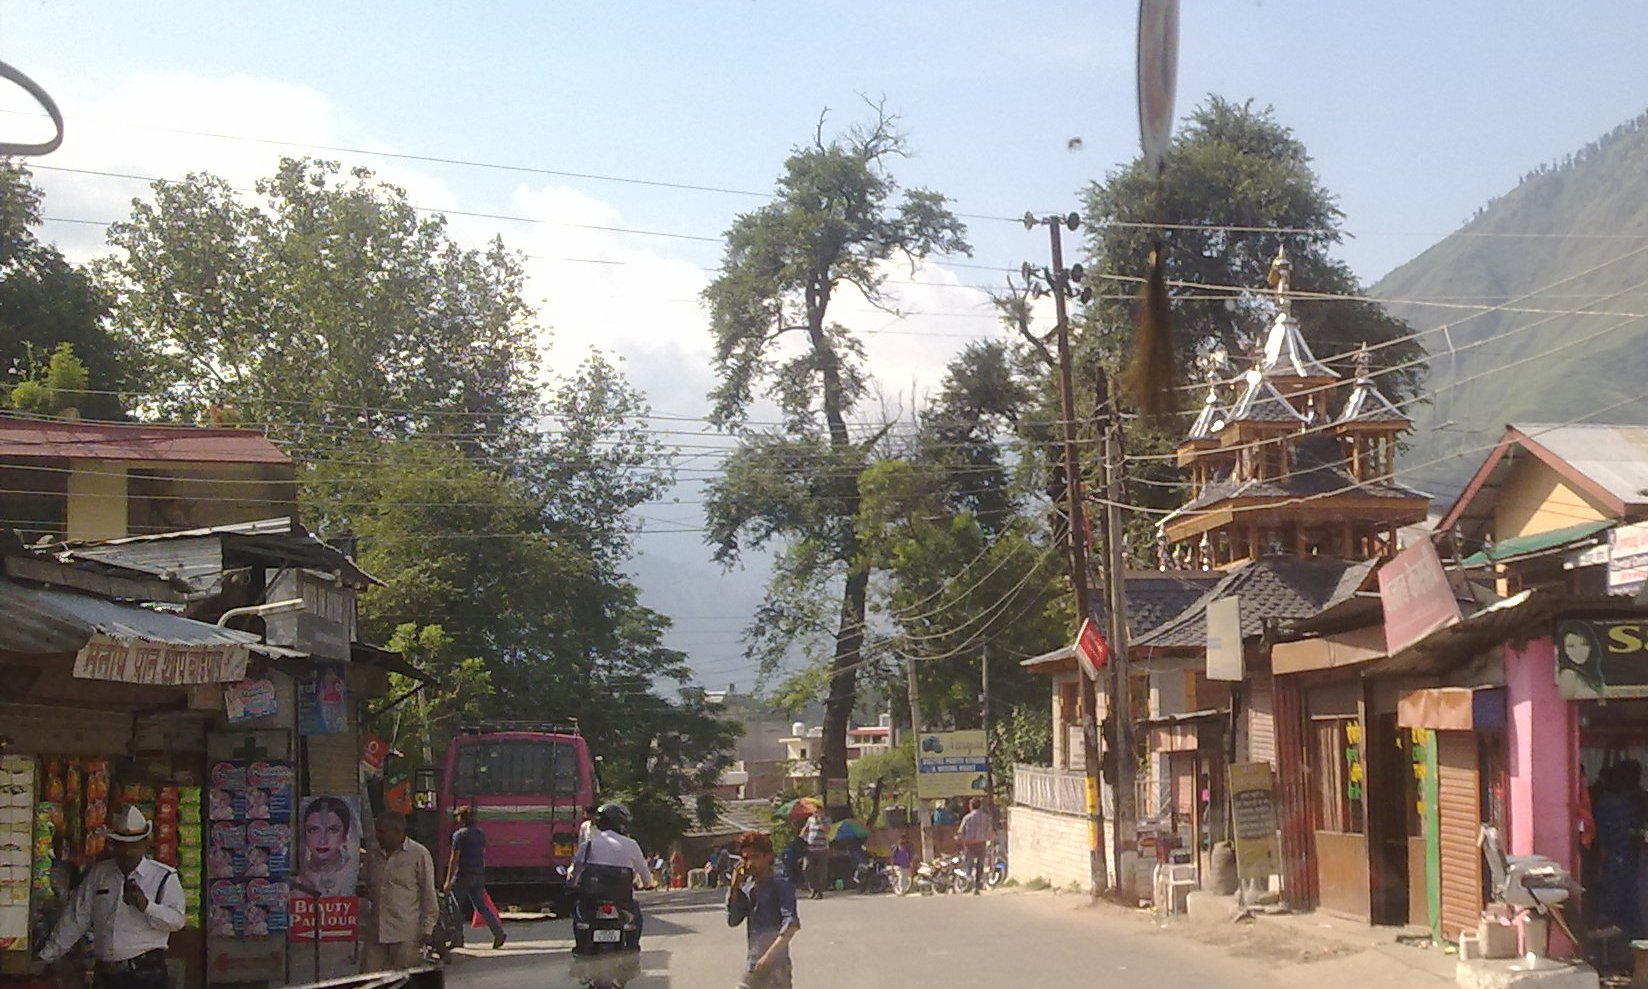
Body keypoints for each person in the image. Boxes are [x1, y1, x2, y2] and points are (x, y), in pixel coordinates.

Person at [37, 806, 186, 989]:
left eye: (134, 845)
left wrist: (147, 906)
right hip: (106, 974)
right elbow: (77, 917)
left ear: (145, 844)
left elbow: (176, 921)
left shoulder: (163, 877)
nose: (127, 852)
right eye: (121, 845)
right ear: (113, 845)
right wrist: (48, 955)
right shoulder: (100, 873)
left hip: (145, 974)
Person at [567, 803, 653, 954]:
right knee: (635, 917)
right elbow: (645, 874)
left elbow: (575, 870)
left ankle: (580, 946)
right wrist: (647, 884)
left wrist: (572, 884)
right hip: (622, 899)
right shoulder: (631, 844)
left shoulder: (588, 845)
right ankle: (632, 946)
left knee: (579, 914)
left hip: (591, 898)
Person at [361, 811, 438, 973]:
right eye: (377, 831)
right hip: (376, 930)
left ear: (398, 832)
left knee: (403, 979)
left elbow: (428, 894)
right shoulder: (373, 854)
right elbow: (365, 882)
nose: (378, 836)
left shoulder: (419, 854)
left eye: (382, 832)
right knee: (369, 979)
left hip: (405, 933)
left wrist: (427, 929)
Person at [726, 831, 801, 989]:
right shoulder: (748, 888)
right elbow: (733, 920)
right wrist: (734, 888)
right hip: (753, 962)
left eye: (755, 857)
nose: (750, 863)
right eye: (746, 858)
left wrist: (767, 958)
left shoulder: (780, 884)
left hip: (776, 967)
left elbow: (791, 925)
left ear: (768, 857)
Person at [443, 806, 505, 949]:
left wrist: (448, 880)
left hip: (463, 874)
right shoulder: (480, 833)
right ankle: (498, 933)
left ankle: (457, 938)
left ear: (462, 818)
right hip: (478, 874)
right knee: (481, 906)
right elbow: (482, 854)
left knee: (455, 906)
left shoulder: (458, 835)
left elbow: (454, 859)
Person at [298, 796, 357, 897]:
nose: (322, 840)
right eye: (313, 830)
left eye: (332, 830)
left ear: (345, 834)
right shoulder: (298, 880)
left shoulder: (352, 877)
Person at [958, 797, 993, 895]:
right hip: (982, 844)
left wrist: (961, 840)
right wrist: (989, 840)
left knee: (969, 865)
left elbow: (961, 832)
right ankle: (977, 886)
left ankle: (969, 883)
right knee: (980, 866)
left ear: (971, 806)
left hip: (970, 845)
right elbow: (989, 831)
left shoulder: (967, 818)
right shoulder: (986, 817)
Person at [801, 808, 830, 900]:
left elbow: (827, 830)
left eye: (818, 811)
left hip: (822, 849)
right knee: (807, 868)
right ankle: (813, 889)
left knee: (821, 871)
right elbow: (804, 831)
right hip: (810, 848)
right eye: (815, 811)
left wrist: (820, 822)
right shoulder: (810, 819)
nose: (816, 813)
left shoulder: (827, 820)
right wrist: (803, 834)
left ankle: (820, 891)